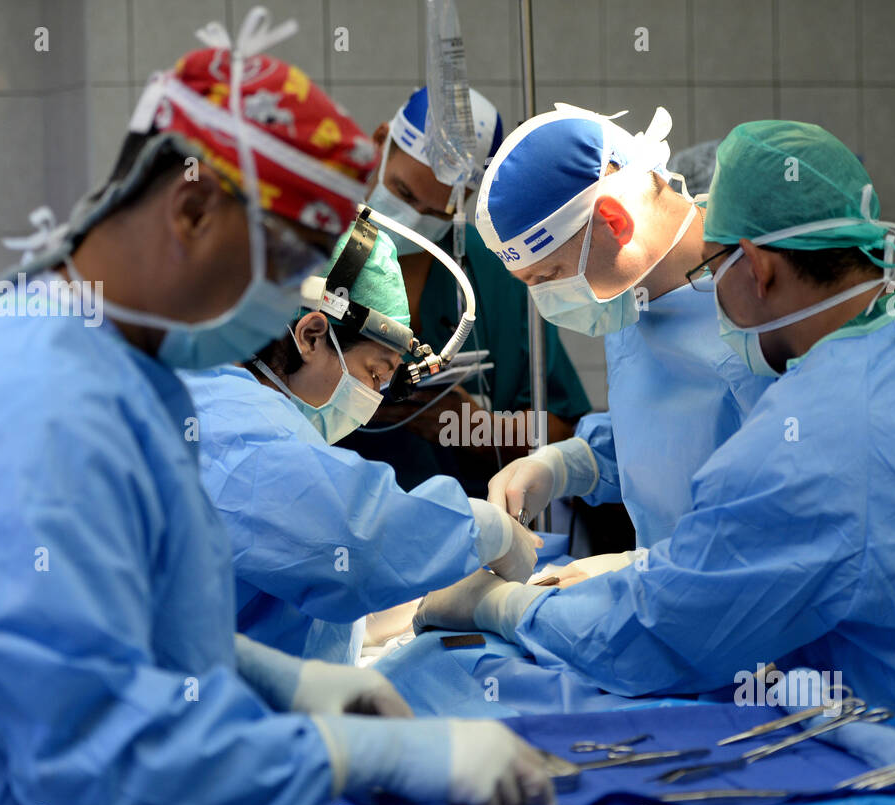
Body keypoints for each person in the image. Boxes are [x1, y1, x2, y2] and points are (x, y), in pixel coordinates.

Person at [0, 9, 551, 805]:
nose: (293, 305)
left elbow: (102, 613)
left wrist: (269, 673)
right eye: (285, 267)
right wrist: (368, 754)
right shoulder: (38, 404)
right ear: (191, 206)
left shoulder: (99, 372)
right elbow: (97, 754)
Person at [416, 119, 895, 805]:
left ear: (756, 270)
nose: (710, 283)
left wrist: (506, 606)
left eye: (718, 261)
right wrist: (573, 462)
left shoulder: (812, 437)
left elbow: (656, 629)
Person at [178, 221, 542, 665]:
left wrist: (421, 607)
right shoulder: (242, 433)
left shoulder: (209, 390)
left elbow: (295, 595)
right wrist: (488, 528)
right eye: (374, 373)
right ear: (311, 335)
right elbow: (359, 537)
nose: (372, 397)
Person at [474, 104, 771, 550]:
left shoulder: (766, 305)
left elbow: (788, 512)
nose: (543, 299)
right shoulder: (632, 296)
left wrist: (648, 573)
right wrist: (566, 464)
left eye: (549, 276)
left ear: (614, 221)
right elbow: (660, 445)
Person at [337, 86, 593, 496]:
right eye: (403, 193)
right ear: (381, 143)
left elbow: (562, 430)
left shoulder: (494, 274)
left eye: (440, 213)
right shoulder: (308, 248)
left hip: (467, 526)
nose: (414, 220)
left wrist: (475, 428)